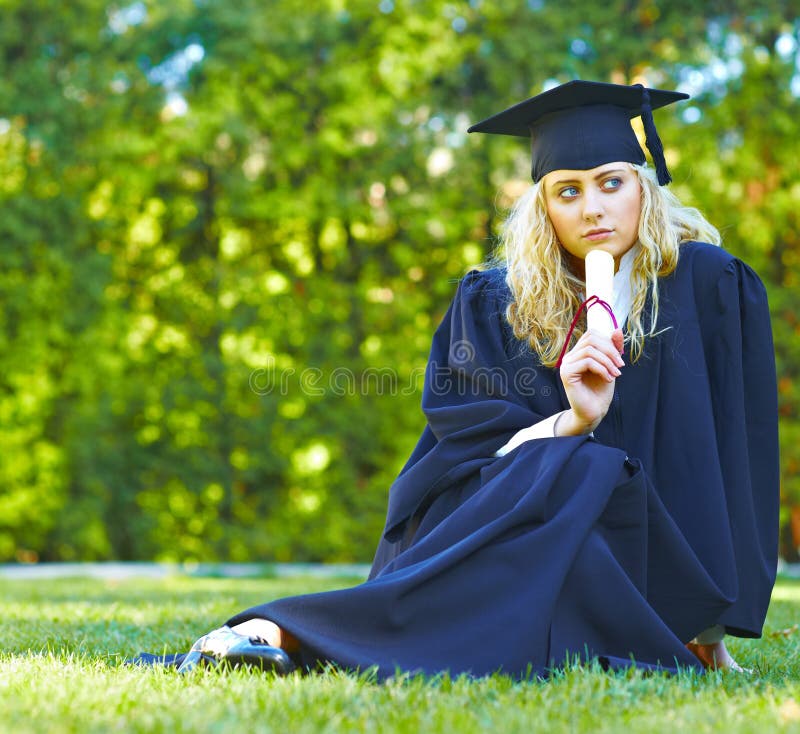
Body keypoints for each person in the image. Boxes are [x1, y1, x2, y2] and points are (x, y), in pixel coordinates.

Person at [139, 80, 779, 678]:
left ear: (643, 186)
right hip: (498, 527)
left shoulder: (706, 286)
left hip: (627, 559)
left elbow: (727, 458)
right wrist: (573, 422)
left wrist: (706, 628)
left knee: (588, 510)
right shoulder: (494, 301)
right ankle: (276, 633)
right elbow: (462, 453)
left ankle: (292, 638)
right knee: (581, 471)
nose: (593, 210)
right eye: (568, 191)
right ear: (542, 208)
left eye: (611, 183)